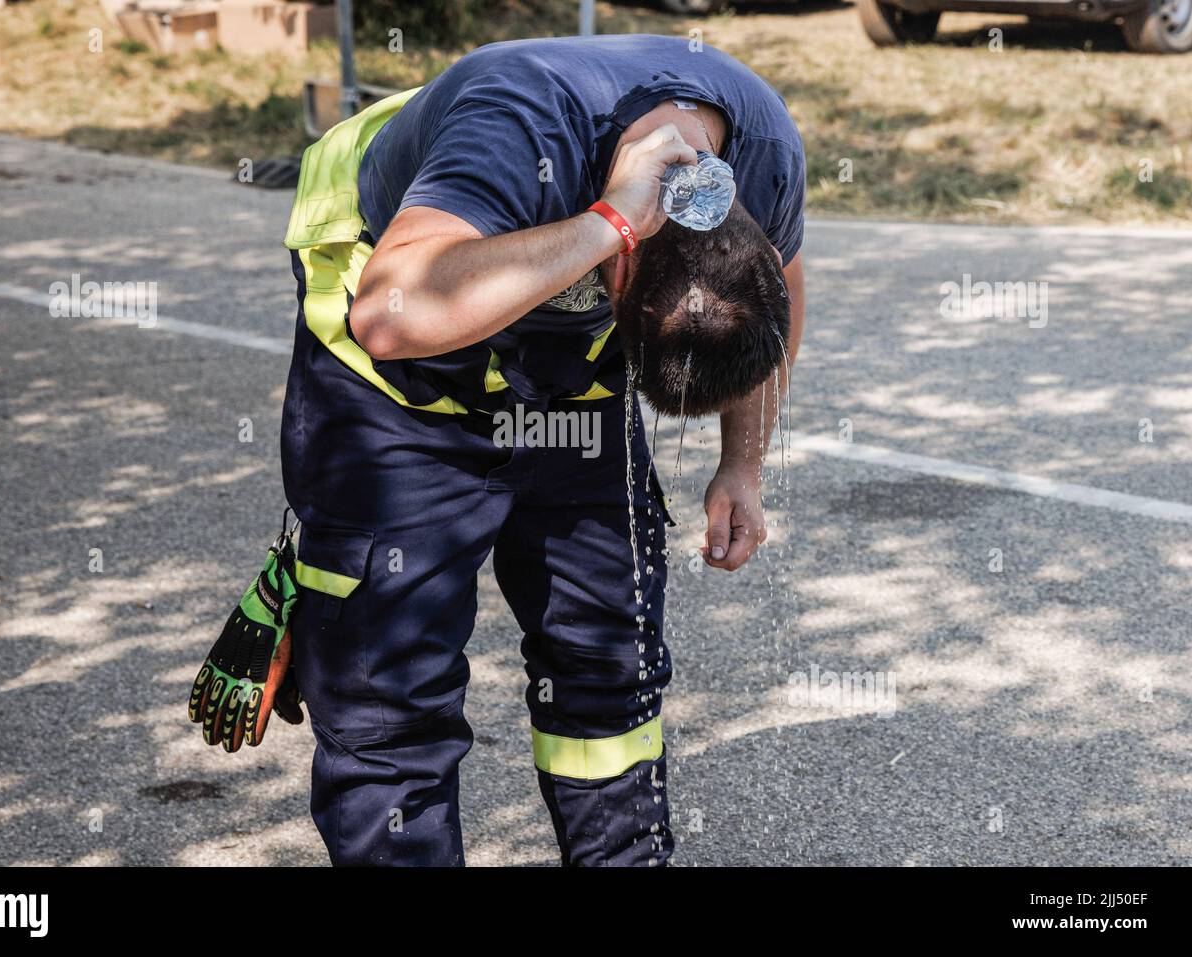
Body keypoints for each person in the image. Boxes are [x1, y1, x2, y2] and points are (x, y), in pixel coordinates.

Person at [278, 33, 806, 866]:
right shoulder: (519, 125)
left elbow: (782, 285)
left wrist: (741, 464)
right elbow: (390, 313)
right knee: (390, 690)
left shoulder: (762, 146)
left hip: (568, 381)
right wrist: (606, 219)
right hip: (400, 369)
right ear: (618, 280)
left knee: (607, 653)